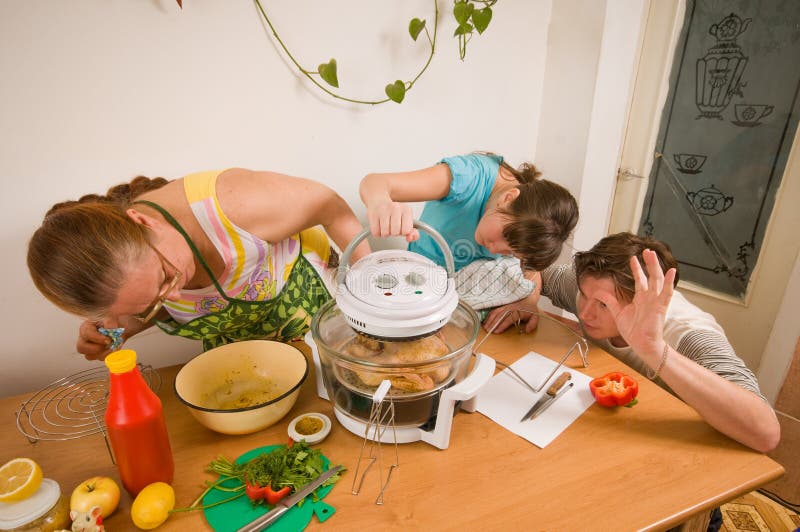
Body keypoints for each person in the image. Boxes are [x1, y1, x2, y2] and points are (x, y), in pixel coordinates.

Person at [27, 168, 370, 360]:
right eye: (153, 302)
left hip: (319, 326)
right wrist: (118, 332)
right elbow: (151, 305)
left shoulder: (233, 204)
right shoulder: (139, 282)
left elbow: (330, 206)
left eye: (165, 276)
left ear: (145, 223)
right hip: (246, 360)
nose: (173, 294)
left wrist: (377, 287)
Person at [531, 231, 780, 453]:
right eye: (584, 296)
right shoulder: (591, 289)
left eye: (604, 305)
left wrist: (655, 350)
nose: (585, 313)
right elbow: (537, 272)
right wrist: (526, 301)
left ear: (643, 301)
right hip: (605, 431)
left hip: (680, 453)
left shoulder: (691, 335)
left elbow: (766, 434)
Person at [359, 152, 578, 331]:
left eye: (510, 253)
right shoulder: (470, 177)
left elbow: (530, 271)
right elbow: (376, 182)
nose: (494, 249)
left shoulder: (532, 223)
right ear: (508, 198)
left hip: (464, 309)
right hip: (418, 288)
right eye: (504, 237)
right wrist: (380, 203)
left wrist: (529, 302)